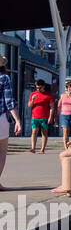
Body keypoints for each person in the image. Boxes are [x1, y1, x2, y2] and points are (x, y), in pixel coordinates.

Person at [0, 58, 20, 189]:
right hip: (0, 118)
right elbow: (9, 101)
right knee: (2, 151)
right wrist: (17, 120)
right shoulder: (4, 78)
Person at [28, 79, 55, 155]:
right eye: (37, 88)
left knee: (44, 133)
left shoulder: (48, 95)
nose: (38, 89)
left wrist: (50, 117)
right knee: (34, 132)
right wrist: (33, 99)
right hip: (34, 117)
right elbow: (29, 105)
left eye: (39, 88)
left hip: (44, 117)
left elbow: (52, 107)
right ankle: (33, 148)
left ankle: (42, 149)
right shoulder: (33, 94)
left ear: (43, 87)